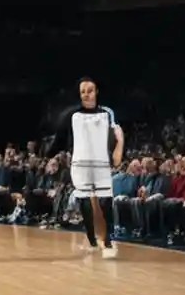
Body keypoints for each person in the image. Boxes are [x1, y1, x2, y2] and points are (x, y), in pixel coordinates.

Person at [44, 77, 125, 258]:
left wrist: (116, 150)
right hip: (80, 163)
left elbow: (113, 135)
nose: (87, 94)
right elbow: (60, 138)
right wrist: (48, 155)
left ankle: (108, 241)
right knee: (84, 202)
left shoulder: (107, 113)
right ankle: (92, 240)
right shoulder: (71, 115)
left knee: (105, 203)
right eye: (83, 91)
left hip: (101, 163)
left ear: (96, 92)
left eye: (90, 90)